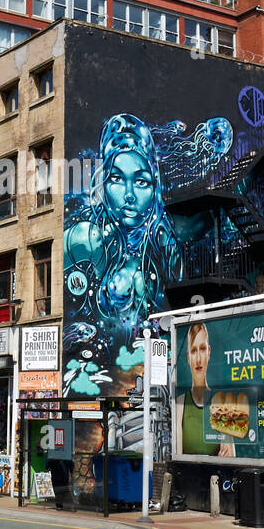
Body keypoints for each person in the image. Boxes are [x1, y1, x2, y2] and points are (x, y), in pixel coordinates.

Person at [64, 113, 183, 383]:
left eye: (141, 181)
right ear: (103, 182)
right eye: (117, 179)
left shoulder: (165, 248)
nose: (129, 194)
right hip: (97, 381)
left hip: (154, 385)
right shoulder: (84, 239)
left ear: (155, 187)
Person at [174, 321, 234, 458]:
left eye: (202, 349)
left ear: (209, 352)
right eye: (194, 351)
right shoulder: (180, 404)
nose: (199, 359)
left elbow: (231, 457)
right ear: (188, 357)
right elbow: (177, 457)